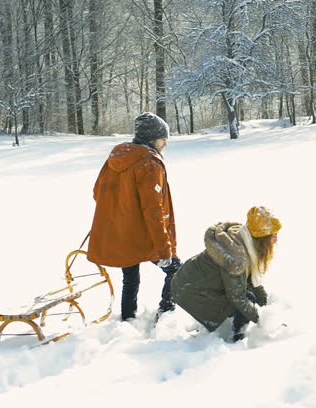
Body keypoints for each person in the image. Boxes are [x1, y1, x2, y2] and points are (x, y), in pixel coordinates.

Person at [88, 112, 180, 321]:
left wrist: (121, 209)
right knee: (175, 270)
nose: (165, 143)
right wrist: (164, 249)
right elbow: (153, 210)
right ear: (151, 139)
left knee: (130, 277)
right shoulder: (149, 164)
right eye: (162, 138)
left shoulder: (116, 157)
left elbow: (98, 192)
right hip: (143, 235)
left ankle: (128, 320)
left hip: (122, 235)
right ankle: (166, 314)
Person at [171, 207, 282, 342]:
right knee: (247, 299)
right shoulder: (238, 258)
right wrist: (264, 321)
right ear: (262, 239)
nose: (276, 241)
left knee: (246, 294)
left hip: (192, 282)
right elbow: (237, 297)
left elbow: (250, 281)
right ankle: (237, 339)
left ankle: (230, 328)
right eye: (273, 236)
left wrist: (266, 305)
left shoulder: (244, 238)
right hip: (189, 290)